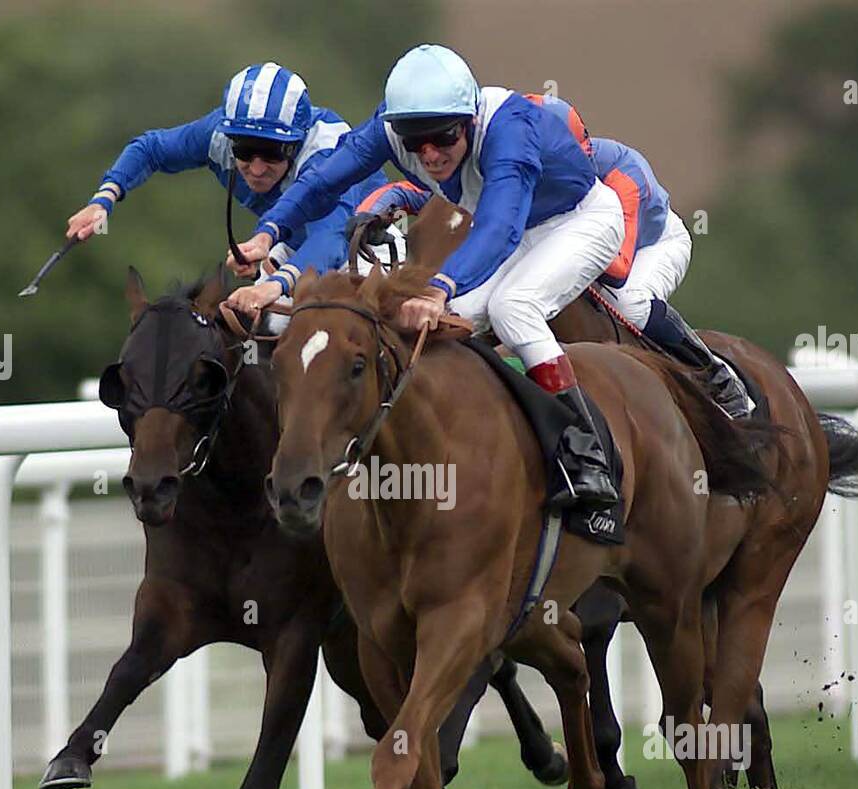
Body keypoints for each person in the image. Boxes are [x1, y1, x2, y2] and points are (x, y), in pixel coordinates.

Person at [226, 45, 625, 511]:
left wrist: (438, 288)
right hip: (514, 230)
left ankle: (586, 449)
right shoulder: (392, 128)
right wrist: (267, 233)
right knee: (442, 325)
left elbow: (499, 228)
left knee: (512, 308)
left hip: (580, 220)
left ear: (470, 121)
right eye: (416, 143)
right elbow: (322, 183)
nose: (430, 155)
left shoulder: (510, 131)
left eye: (443, 138)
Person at [356, 93, 753, 417]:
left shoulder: (619, 174)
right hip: (576, 236)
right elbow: (425, 192)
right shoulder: (522, 161)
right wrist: (381, 203)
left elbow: (616, 269)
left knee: (628, 302)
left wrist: (555, 253)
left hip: (652, 246)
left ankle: (714, 374)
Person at [64, 62, 390, 306]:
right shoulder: (217, 134)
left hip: (363, 241)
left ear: (298, 142)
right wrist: (102, 199)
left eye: (273, 153)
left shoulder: (327, 153)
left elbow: (330, 240)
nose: (257, 168)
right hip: (294, 243)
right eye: (244, 152)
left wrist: (274, 284)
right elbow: (150, 149)